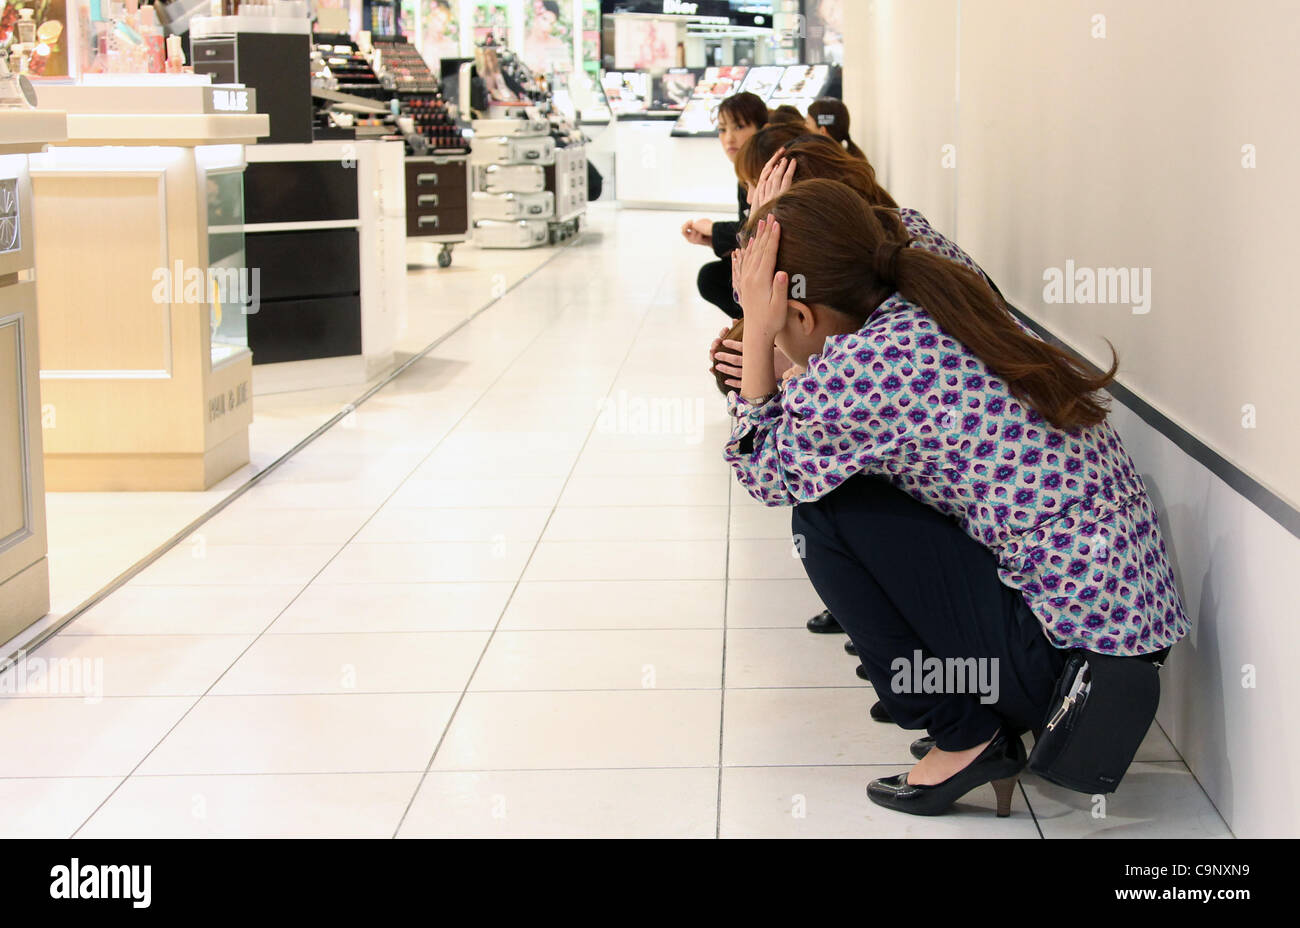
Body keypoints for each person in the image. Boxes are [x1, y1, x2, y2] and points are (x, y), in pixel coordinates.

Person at [725, 179, 1188, 816]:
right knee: (856, 483)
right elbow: (894, 221)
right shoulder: (935, 280)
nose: (776, 345)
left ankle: (964, 737)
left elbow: (765, 475)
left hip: (1066, 671)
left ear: (799, 315)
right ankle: (955, 700)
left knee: (825, 514)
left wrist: (756, 344)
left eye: (777, 330)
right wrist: (774, 234)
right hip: (1119, 633)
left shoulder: (869, 366)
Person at [683, 93, 768, 318]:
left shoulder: (770, 171)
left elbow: (763, 230)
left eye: (739, 126)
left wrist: (714, 229)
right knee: (712, 277)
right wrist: (712, 239)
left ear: (764, 129)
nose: (729, 138)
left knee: (712, 278)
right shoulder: (745, 172)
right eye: (722, 129)